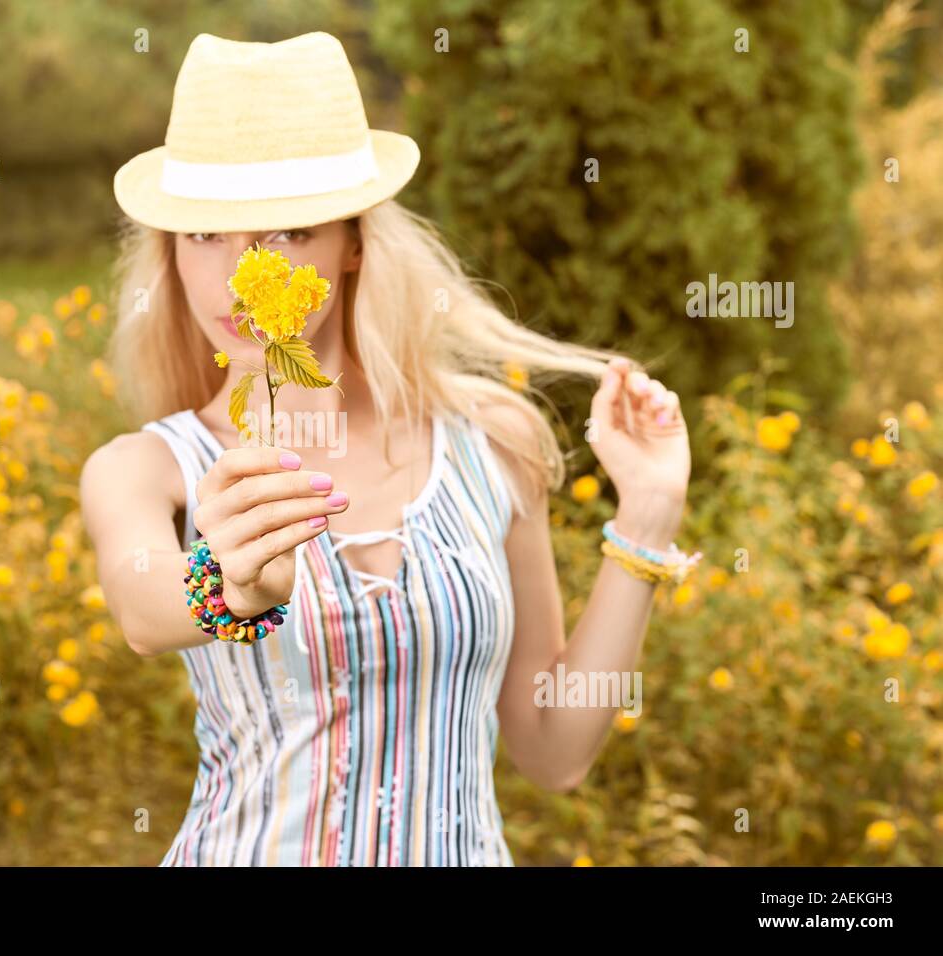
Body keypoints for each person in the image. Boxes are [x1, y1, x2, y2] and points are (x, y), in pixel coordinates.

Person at [81, 31, 693, 866]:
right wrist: (228, 586)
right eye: (206, 237)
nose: (239, 275)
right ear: (170, 254)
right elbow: (146, 610)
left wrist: (648, 521)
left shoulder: (492, 443)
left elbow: (554, 751)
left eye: (289, 233)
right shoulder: (148, 469)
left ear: (354, 244)